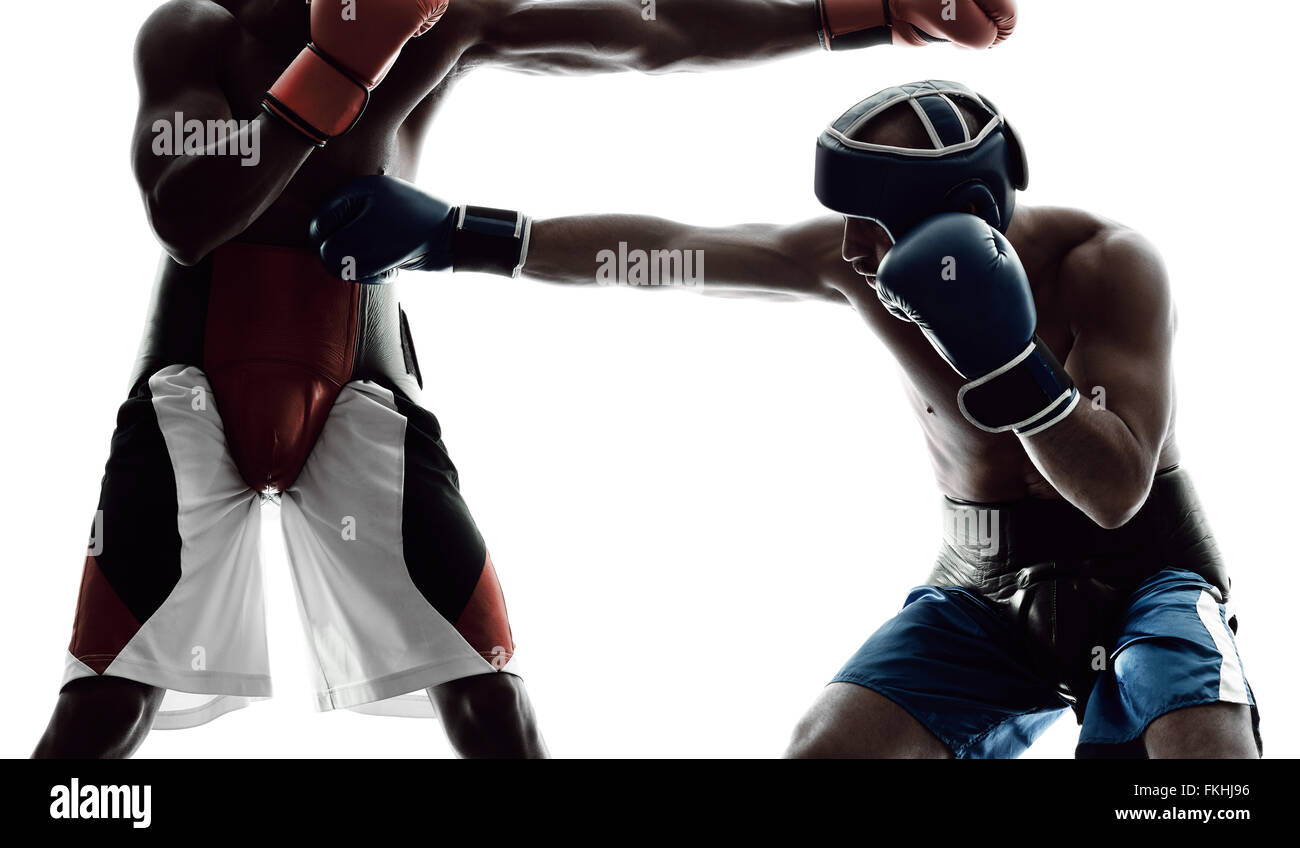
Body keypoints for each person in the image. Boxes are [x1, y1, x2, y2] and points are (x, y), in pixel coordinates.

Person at [33, 0, 1014, 760]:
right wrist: (330, 71)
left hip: (362, 384)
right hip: (189, 386)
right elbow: (188, 211)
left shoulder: (438, 22)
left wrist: (871, 9)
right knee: (108, 697)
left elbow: (649, 29)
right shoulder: (195, 31)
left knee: (489, 690)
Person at [313, 80, 1261, 758]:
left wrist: (1010, 362)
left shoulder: (1107, 264)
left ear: (970, 215)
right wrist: (457, 234)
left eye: (876, 222)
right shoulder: (852, 260)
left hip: (1144, 570)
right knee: (826, 752)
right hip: (983, 586)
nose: (851, 247)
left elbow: (1114, 491)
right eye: (845, 214)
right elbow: (670, 252)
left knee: (1199, 744)